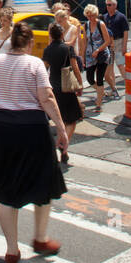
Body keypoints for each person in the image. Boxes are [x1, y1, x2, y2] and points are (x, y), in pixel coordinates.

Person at [0, 21, 68, 263]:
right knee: (44, 182)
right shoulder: (34, 63)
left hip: (0, 128)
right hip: (32, 130)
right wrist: (61, 128)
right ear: (29, 43)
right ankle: (40, 238)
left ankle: (11, 250)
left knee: (6, 189)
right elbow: (47, 98)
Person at [42, 19, 82, 165]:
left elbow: (43, 69)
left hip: (53, 88)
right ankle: (64, 145)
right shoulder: (68, 48)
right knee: (71, 119)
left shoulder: (47, 50)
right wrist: (79, 84)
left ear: (50, 35)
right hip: (67, 88)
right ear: (62, 34)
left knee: (56, 119)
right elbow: (75, 67)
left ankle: (59, 143)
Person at [80, 4, 115, 111]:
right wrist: (82, 57)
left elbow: (108, 41)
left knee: (99, 78)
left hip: (102, 54)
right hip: (90, 55)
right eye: (88, 16)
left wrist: (98, 50)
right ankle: (101, 92)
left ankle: (99, 104)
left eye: (92, 16)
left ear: (95, 14)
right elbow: (84, 42)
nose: (90, 18)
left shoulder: (101, 24)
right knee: (90, 78)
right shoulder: (85, 25)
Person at [103, 0, 130, 90]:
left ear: (115, 5)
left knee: (120, 64)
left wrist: (124, 46)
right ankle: (113, 88)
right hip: (109, 43)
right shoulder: (105, 17)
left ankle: (129, 85)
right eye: (107, 5)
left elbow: (126, 31)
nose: (108, 6)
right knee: (110, 67)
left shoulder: (121, 16)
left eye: (109, 5)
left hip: (119, 41)